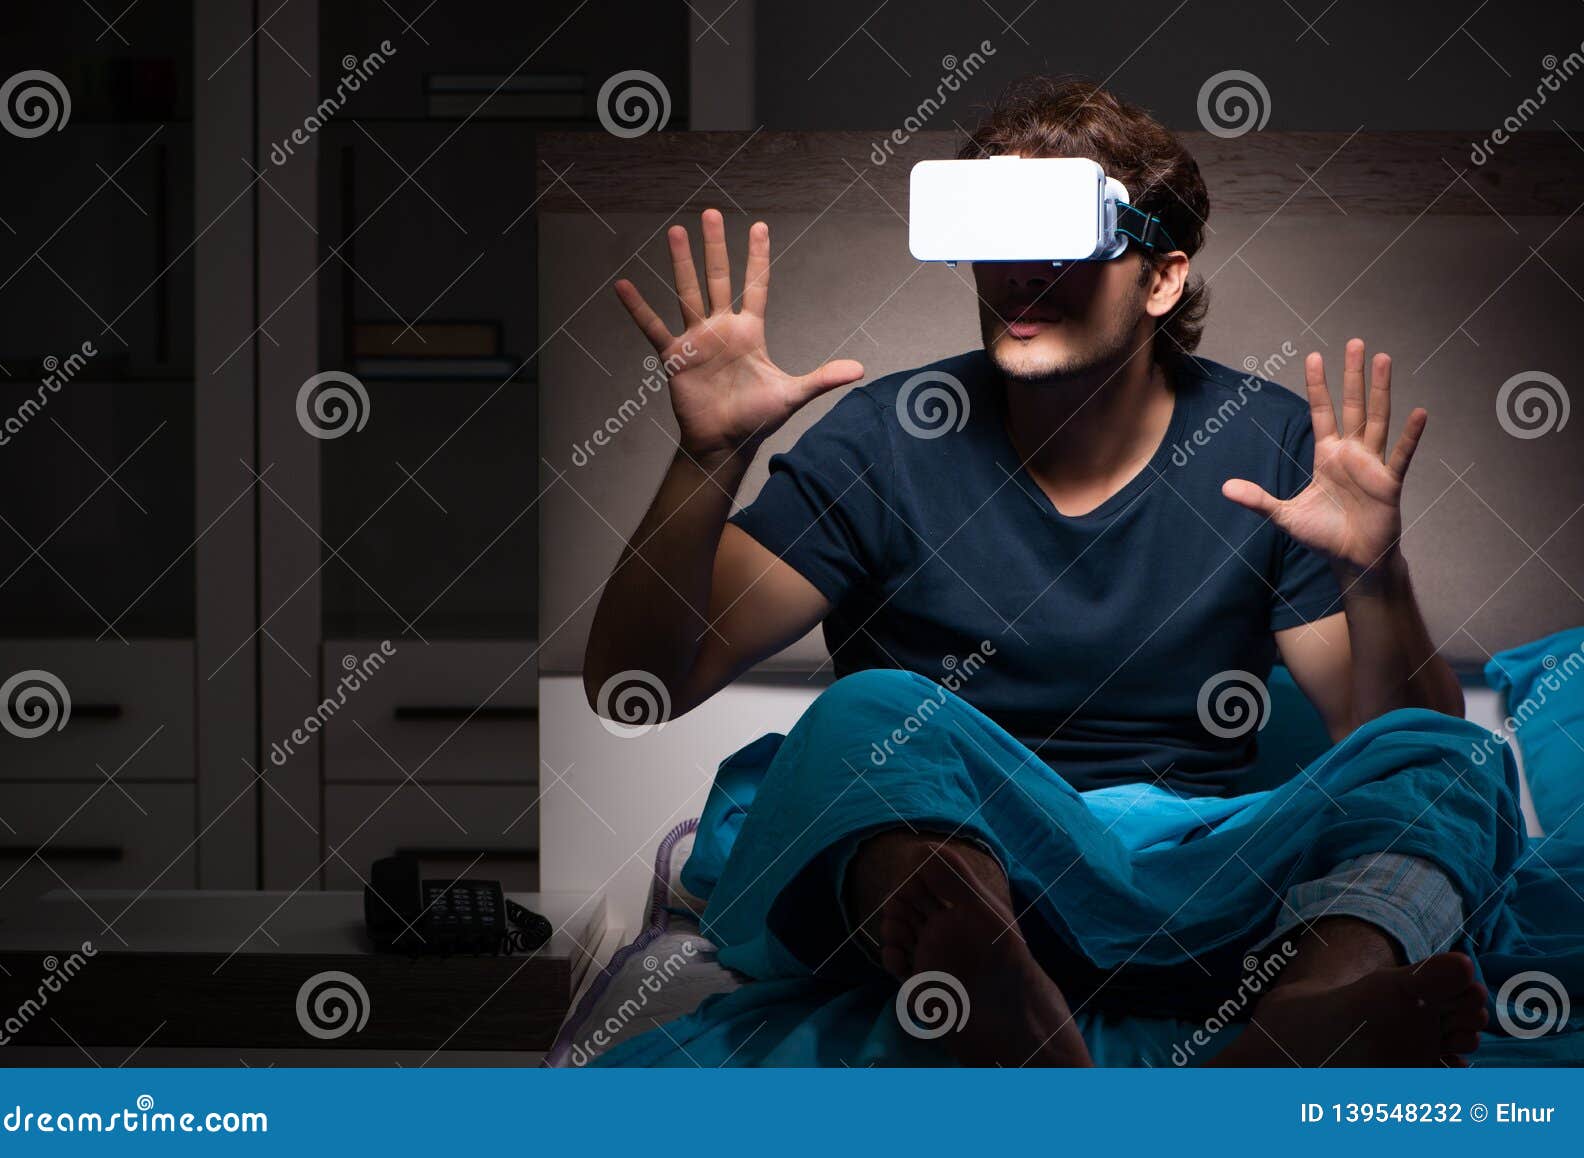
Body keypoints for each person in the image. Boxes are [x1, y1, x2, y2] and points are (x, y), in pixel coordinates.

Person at [582, 77, 1491, 1066]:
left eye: (1065, 234)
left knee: (1459, 763)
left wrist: (1374, 572)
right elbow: (640, 688)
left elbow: (1395, 744)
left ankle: (1304, 1016)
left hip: (1189, 869)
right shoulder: (886, 439)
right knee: (873, 712)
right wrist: (708, 458)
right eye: (996, 230)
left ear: (1160, 278)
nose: (1021, 270)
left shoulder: (1267, 442)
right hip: (950, 857)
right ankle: (993, 982)